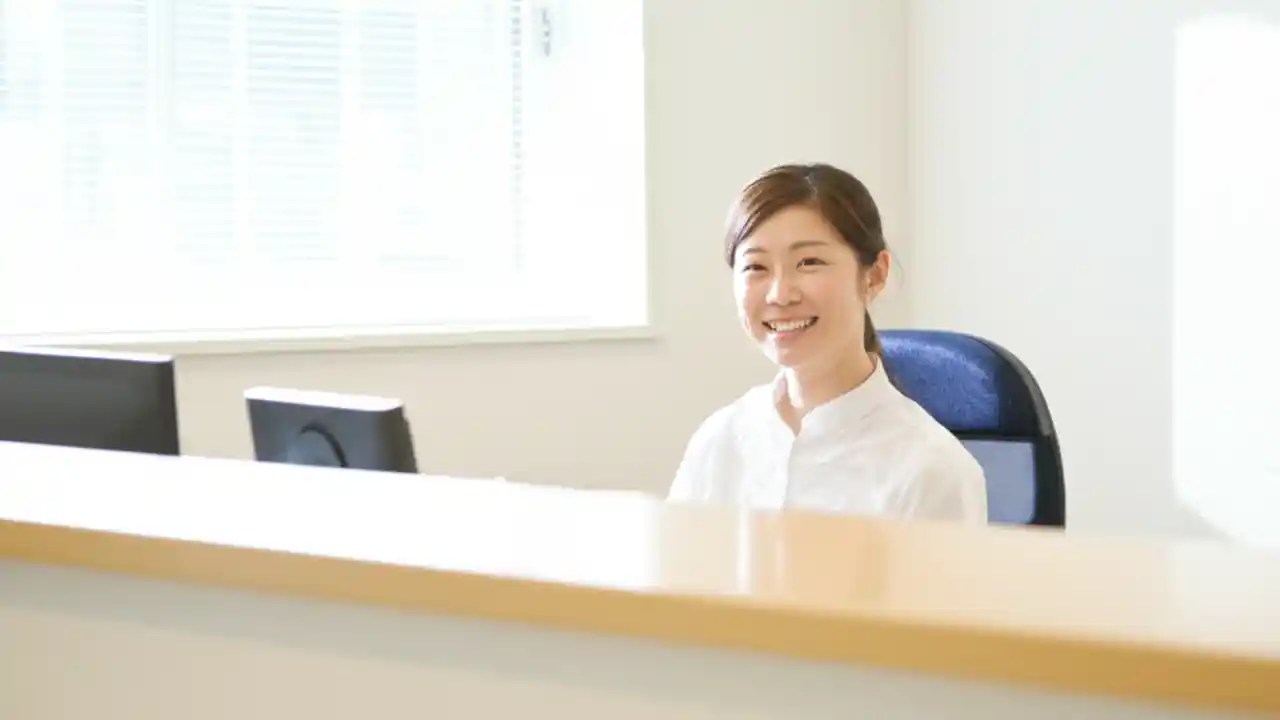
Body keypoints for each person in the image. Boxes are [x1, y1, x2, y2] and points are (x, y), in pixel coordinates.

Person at [668, 163, 988, 525]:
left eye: (808, 262)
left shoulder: (932, 470)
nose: (780, 294)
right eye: (756, 267)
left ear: (875, 275)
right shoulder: (720, 441)